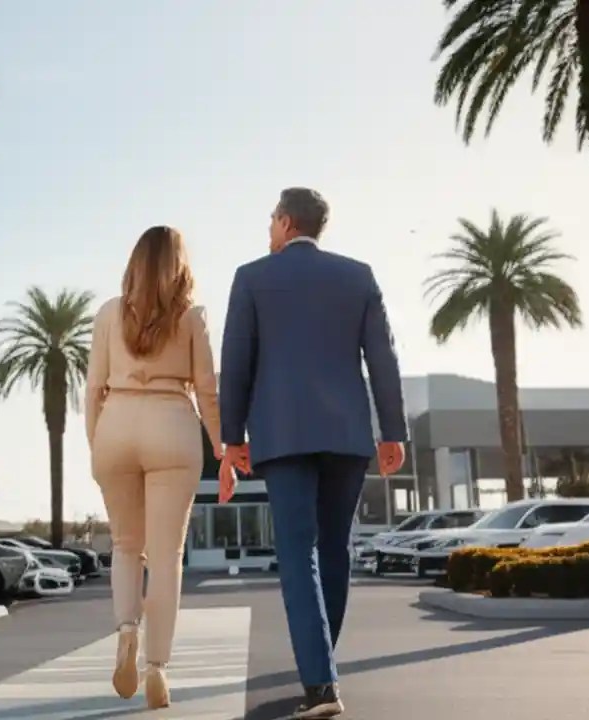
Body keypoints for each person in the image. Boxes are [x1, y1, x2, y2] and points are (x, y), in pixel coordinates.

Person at [218, 188, 407, 719]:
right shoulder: (358, 275)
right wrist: (393, 431)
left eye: (270, 221)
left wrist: (232, 438)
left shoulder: (251, 277)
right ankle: (321, 667)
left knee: (299, 552)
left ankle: (320, 684)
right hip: (347, 435)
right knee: (334, 550)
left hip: (282, 436)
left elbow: (236, 363)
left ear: (284, 222)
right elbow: (383, 358)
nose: (268, 231)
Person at [84, 225, 221, 710]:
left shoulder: (106, 314)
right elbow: (207, 389)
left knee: (126, 546)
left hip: (115, 426)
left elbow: (92, 389)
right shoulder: (192, 317)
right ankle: (157, 668)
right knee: (166, 557)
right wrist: (224, 451)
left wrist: (96, 445)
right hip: (171, 425)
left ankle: (126, 631)